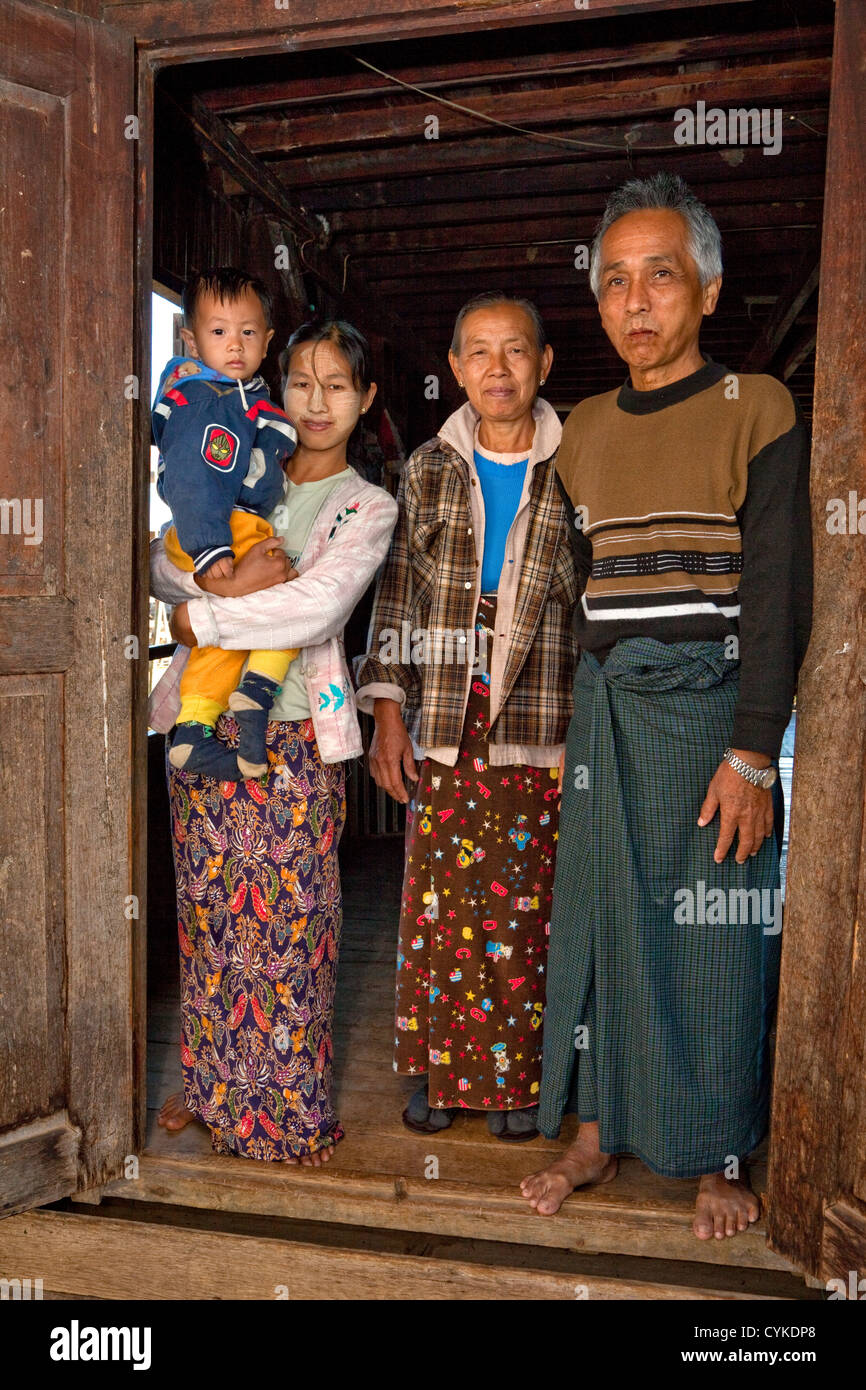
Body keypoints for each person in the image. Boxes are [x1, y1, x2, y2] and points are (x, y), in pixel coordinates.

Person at [520, 173, 812, 1237]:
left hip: (710, 716)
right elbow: (579, 592)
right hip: (606, 713)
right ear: (595, 304)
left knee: (716, 935)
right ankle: (597, 1133)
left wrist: (750, 754)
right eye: (612, 282)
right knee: (602, 924)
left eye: (659, 276)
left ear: (707, 288)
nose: (634, 300)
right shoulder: (582, 429)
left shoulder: (759, 405)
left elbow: (779, 595)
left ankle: (715, 1148)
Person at [149, 320, 398, 1165]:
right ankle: (214, 1088)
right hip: (203, 721)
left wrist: (201, 610)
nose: (316, 401)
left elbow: (316, 606)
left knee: (292, 927)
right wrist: (213, 577)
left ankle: (286, 1113)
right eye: (300, 382)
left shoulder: (367, 504)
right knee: (210, 919)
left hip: (292, 734)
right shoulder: (241, 464)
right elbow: (163, 554)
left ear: (365, 401)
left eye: (337, 385)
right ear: (276, 387)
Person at [355, 293, 579, 1141]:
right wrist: (386, 714)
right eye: (478, 353)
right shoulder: (426, 468)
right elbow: (397, 595)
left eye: (515, 351)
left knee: (526, 903)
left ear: (544, 363)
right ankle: (445, 1076)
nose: (497, 368)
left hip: (539, 708)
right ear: (454, 368)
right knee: (441, 901)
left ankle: (518, 1079)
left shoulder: (575, 462)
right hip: (446, 706)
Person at [153, 267, 300, 780]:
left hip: (219, 531)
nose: (234, 345)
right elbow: (193, 480)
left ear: (268, 341)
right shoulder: (205, 401)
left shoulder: (242, 399)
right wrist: (212, 550)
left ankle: (192, 732)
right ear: (191, 340)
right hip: (219, 530)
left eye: (248, 332)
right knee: (285, 593)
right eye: (218, 332)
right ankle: (257, 697)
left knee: (223, 637)